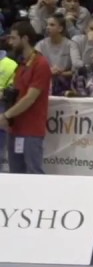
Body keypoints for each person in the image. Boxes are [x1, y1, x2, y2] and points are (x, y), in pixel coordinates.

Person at [1, 22, 52, 174]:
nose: (10, 42)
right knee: (16, 174)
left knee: (33, 173)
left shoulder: (40, 64)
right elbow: (18, 94)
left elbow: (30, 98)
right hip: (15, 128)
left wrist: (6, 115)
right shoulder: (21, 65)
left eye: (13, 38)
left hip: (31, 130)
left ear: (25, 38)